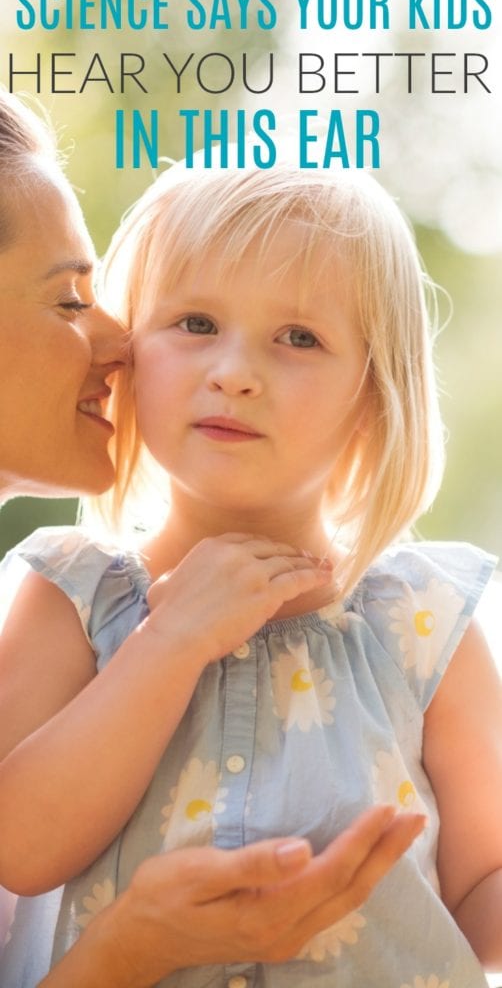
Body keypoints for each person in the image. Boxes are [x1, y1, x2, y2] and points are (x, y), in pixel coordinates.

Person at [1, 158, 498, 988]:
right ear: (127, 356)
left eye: (299, 337)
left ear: (374, 395)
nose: (234, 371)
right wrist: (172, 640)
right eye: (194, 323)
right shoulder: (72, 595)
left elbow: (477, 894)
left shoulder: (424, 621)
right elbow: (19, 847)